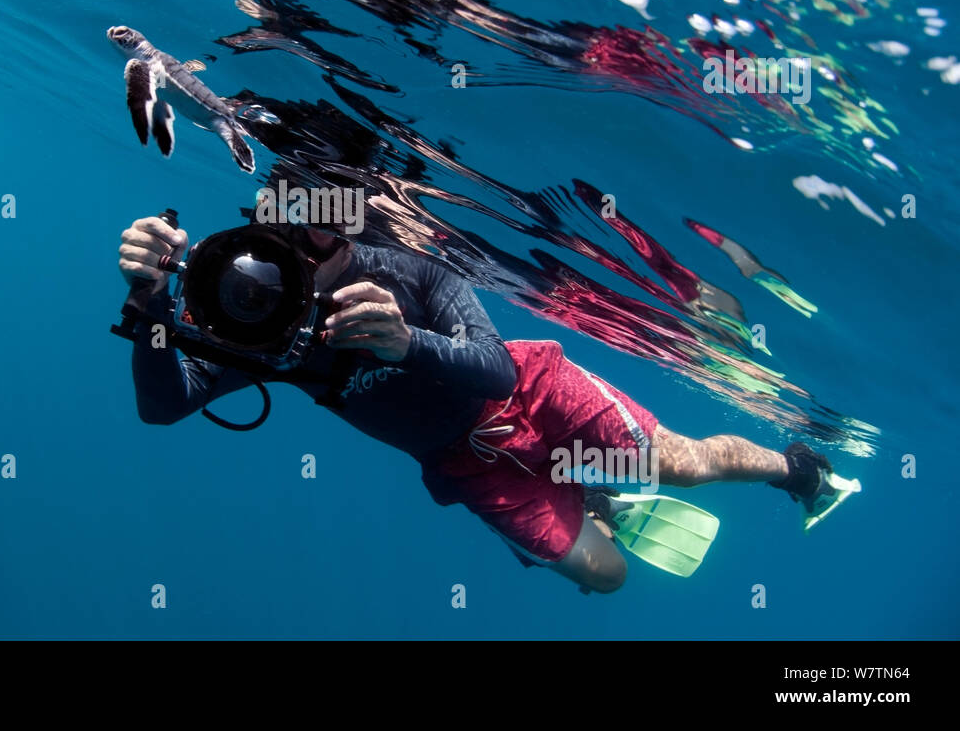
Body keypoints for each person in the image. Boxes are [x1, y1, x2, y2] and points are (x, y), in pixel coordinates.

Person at [117, 210, 854, 594]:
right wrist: (149, 305)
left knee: (685, 466)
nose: (310, 256)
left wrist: (408, 342)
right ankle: (595, 503)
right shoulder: (261, 317)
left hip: (535, 396)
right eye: (289, 235)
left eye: (326, 231)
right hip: (465, 464)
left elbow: (497, 372)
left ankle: (798, 471)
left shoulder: (409, 267)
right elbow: (164, 406)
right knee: (607, 577)